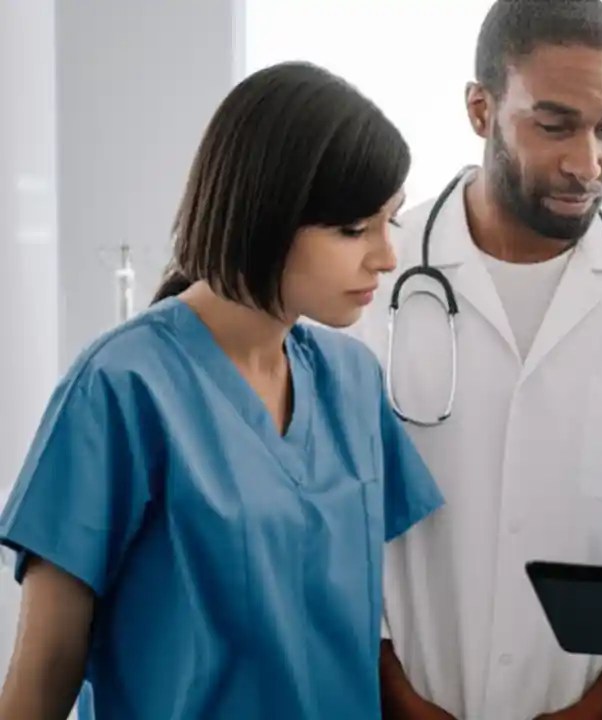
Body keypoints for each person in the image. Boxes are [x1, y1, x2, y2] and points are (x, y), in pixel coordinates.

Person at [0, 61, 444, 720]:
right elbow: (43, 674)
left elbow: (353, 625)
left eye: (392, 221)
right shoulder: (122, 389)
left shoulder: (352, 383)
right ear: (268, 214)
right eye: (354, 229)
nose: (386, 255)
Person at [349, 1, 602, 718]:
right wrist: (388, 689)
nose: (588, 163)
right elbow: (325, 523)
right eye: (554, 125)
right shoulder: (370, 286)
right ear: (479, 108)